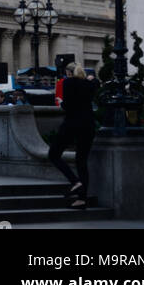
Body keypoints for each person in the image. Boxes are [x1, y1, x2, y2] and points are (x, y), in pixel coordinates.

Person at [49, 62, 98, 208]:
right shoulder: (90, 84)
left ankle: (75, 181)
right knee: (81, 161)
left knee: (54, 155)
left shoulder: (68, 83)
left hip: (72, 124)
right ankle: (82, 199)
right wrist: (91, 80)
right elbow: (94, 84)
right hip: (88, 125)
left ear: (68, 73)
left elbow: (68, 106)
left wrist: (61, 102)